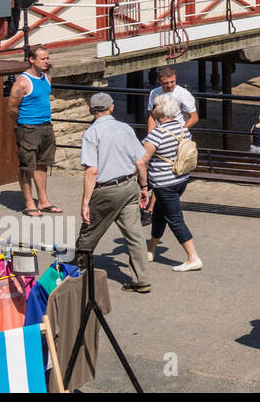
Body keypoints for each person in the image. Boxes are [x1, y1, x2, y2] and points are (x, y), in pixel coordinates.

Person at [77, 93, 152, 293]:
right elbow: (141, 161)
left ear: (90, 110)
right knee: (135, 234)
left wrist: (85, 202)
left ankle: (75, 269)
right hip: (129, 185)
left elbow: (92, 170)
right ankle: (141, 279)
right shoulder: (125, 128)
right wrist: (144, 188)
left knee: (89, 232)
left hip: (106, 189)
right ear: (112, 107)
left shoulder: (91, 134)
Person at [139, 94, 203, 272]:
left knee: (175, 219)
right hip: (180, 179)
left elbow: (141, 161)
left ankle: (193, 257)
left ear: (159, 111)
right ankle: (151, 250)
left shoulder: (157, 135)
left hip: (163, 184)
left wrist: (143, 187)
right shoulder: (183, 129)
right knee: (160, 214)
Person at [9, 44, 60, 216]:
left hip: (46, 126)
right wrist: (23, 125)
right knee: (26, 166)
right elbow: (12, 108)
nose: (46, 61)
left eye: (47, 58)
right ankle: (29, 203)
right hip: (28, 128)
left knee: (42, 164)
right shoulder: (22, 82)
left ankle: (43, 201)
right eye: (43, 58)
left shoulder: (46, 77)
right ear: (32, 60)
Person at [146, 66, 198, 134]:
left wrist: (180, 133)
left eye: (172, 82)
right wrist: (150, 133)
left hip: (177, 133)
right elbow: (152, 115)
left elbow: (194, 118)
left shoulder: (184, 94)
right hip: (159, 132)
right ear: (159, 81)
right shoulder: (154, 92)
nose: (170, 85)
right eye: (166, 83)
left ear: (175, 77)